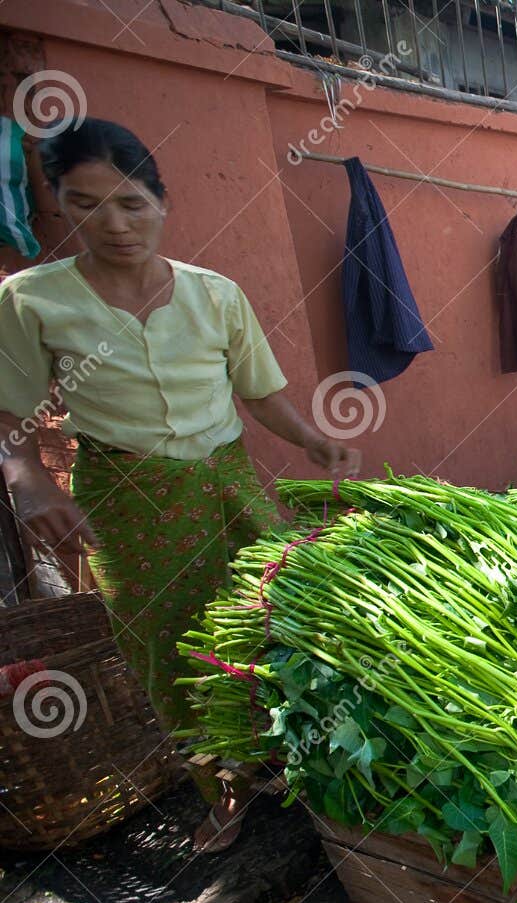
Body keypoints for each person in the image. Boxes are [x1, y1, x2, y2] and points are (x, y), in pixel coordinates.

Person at [0, 118, 361, 852]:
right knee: (168, 648)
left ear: (163, 202)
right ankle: (222, 792)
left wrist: (312, 437)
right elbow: (11, 419)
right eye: (86, 203)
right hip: (127, 500)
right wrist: (29, 482)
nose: (116, 223)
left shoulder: (214, 295)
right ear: (61, 207)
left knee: (284, 611)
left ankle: (297, 754)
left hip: (226, 481)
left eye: (132, 202)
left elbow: (258, 393)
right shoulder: (32, 299)